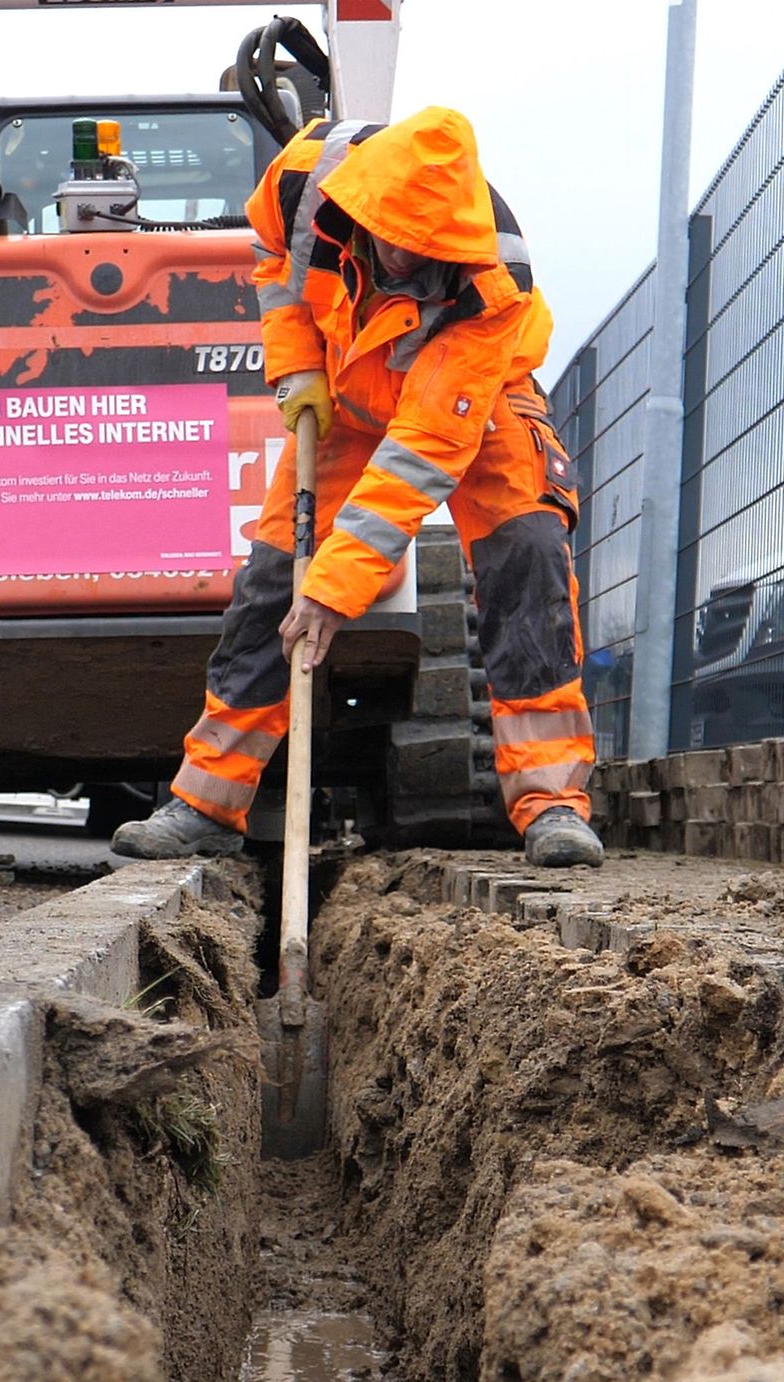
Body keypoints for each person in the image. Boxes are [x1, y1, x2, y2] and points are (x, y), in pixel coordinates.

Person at [111, 105, 603, 869]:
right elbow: (274, 261)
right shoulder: (305, 178)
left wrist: (335, 592)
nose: (401, 260)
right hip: (347, 392)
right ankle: (207, 803)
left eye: (421, 251)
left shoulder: (492, 291)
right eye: (391, 241)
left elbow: (420, 456)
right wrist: (297, 366)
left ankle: (553, 805)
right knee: (274, 581)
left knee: (529, 555)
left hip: (478, 402)